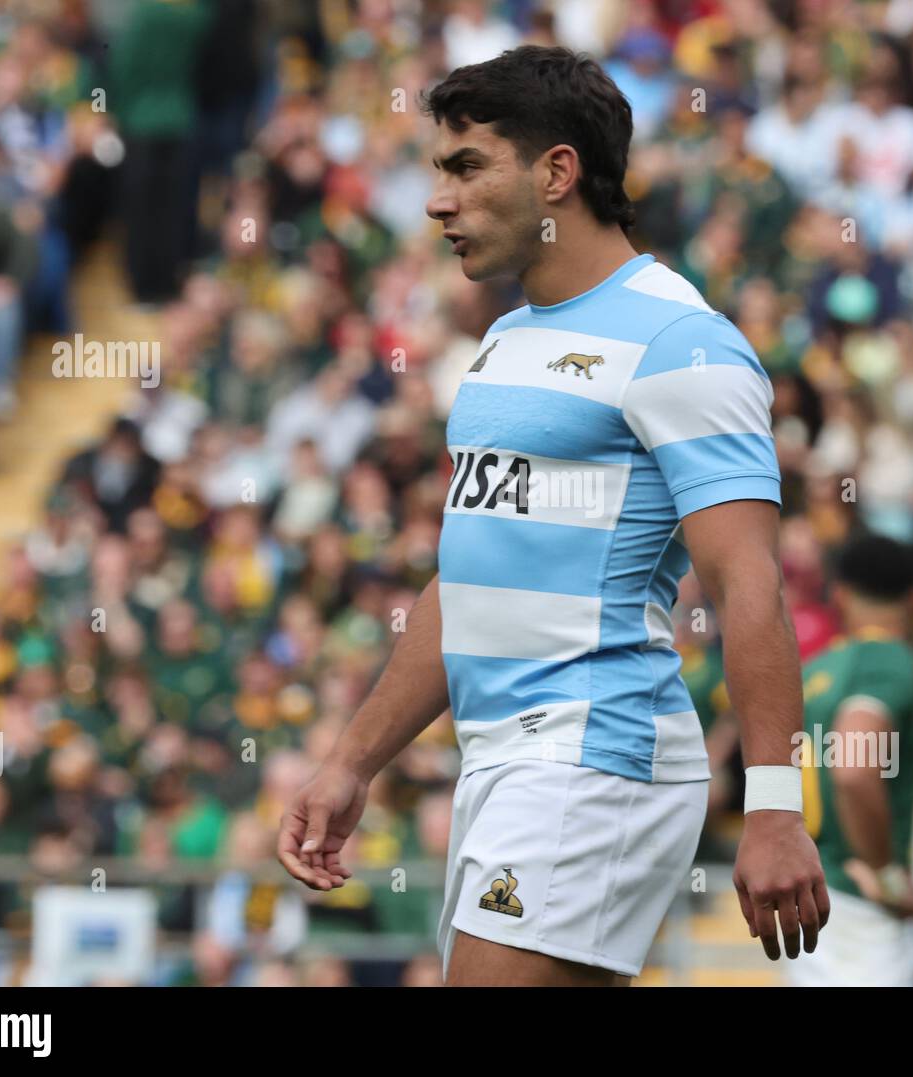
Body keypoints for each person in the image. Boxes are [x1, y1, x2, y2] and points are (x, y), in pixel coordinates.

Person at [277, 45, 828, 987]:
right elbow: (471, 579)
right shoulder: (503, 342)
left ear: (557, 172)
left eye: (465, 168)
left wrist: (775, 805)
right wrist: (351, 761)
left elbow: (749, 579)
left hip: (591, 752)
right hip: (504, 762)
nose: (436, 201)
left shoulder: (680, 343)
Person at [784, 535, 913, 986]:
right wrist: (887, 877)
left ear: (840, 595)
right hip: (861, 909)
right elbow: (853, 768)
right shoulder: (887, 660)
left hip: (814, 900)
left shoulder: (817, 671)